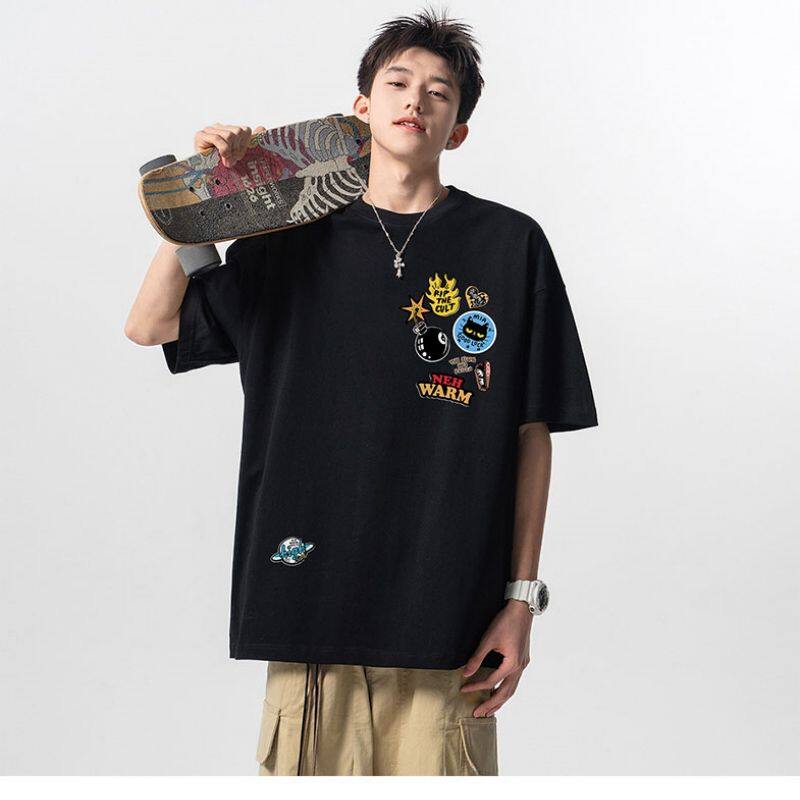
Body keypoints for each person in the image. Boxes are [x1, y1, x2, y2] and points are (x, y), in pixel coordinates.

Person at [125, 8, 597, 776]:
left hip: (451, 622)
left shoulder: (510, 245)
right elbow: (151, 326)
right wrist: (204, 198)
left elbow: (531, 432)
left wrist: (521, 600)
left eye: (440, 92)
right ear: (361, 109)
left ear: (458, 130)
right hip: (309, 603)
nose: (417, 99)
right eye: (398, 82)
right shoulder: (286, 241)